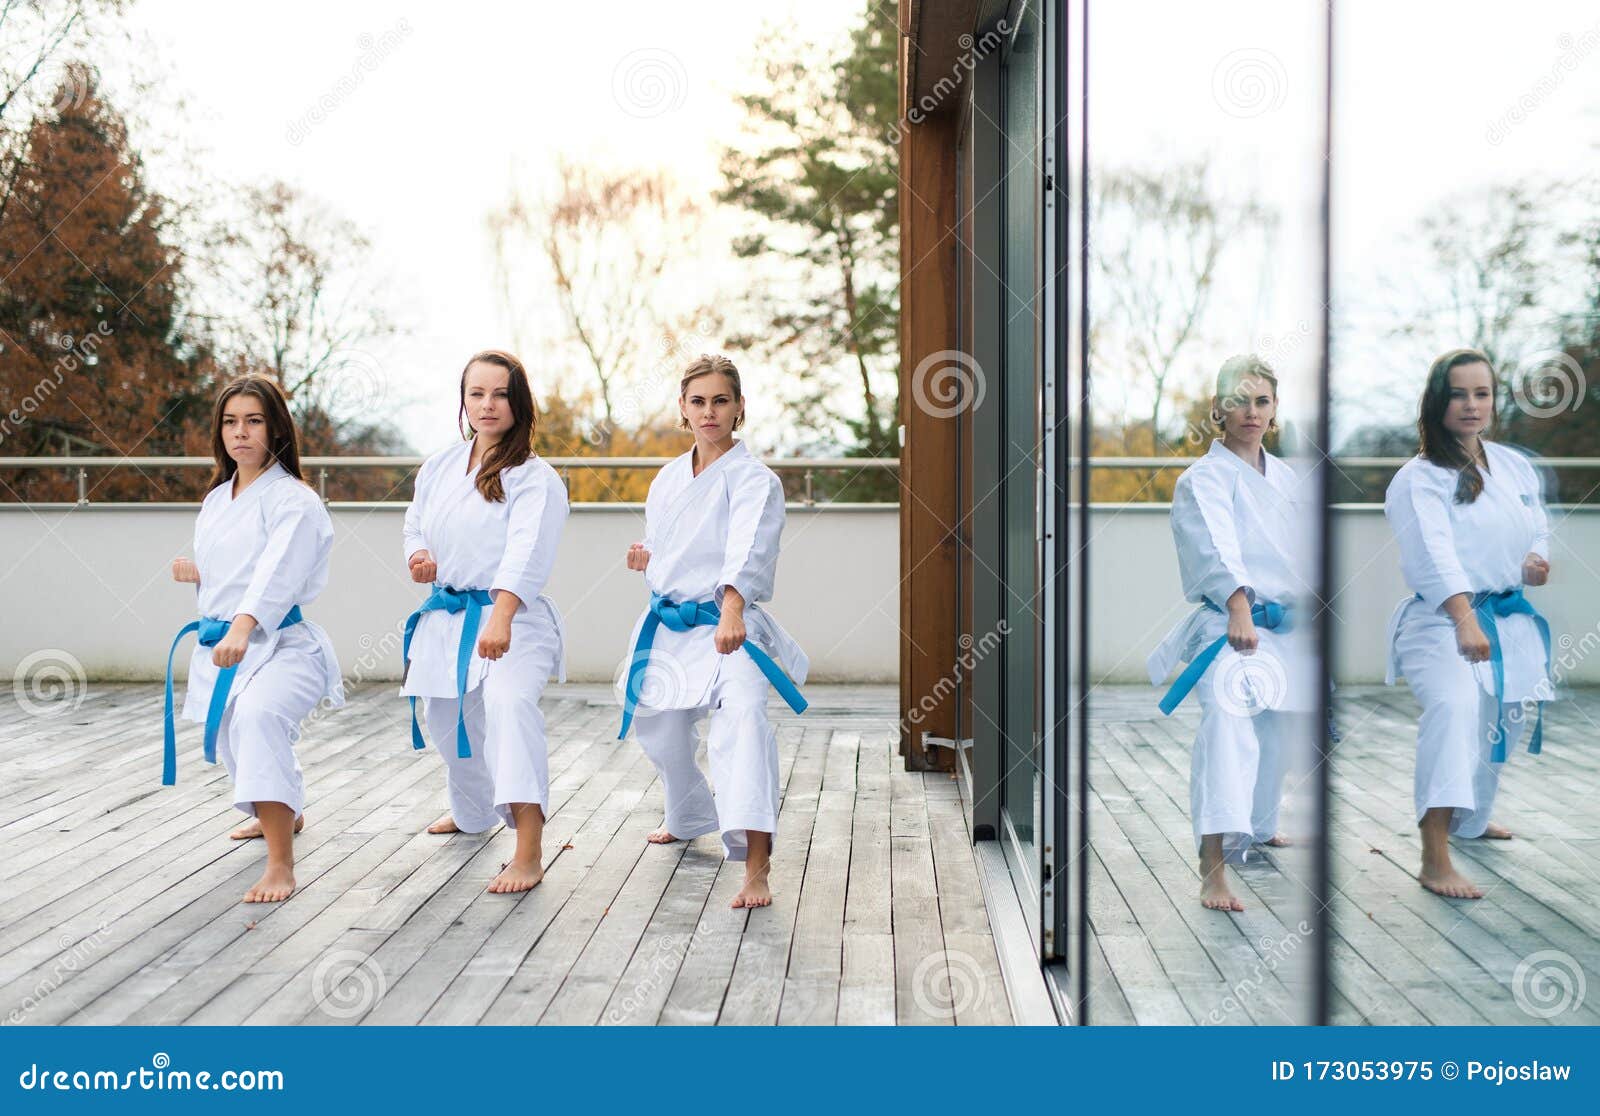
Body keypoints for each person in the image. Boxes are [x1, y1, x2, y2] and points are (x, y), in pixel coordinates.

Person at [618, 354, 808, 910]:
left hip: (730, 623)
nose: (709, 411)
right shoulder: (669, 476)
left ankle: (756, 867)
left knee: (743, 724)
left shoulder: (756, 480)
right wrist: (645, 558)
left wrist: (732, 610)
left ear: (739, 407)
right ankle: (688, 814)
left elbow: (749, 548)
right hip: (672, 624)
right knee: (658, 728)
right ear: (682, 408)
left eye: (720, 400)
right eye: (698, 401)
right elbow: (667, 547)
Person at [1147, 355, 1317, 912]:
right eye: (1239, 400)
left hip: (1283, 621)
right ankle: (1213, 865)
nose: (1251, 411)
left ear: (1275, 410)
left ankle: (1262, 823)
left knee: (1284, 728)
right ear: (1217, 408)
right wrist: (1239, 607)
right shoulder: (1203, 478)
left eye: (1262, 401)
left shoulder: (1288, 477)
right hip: (1228, 621)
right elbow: (1214, 546)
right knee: (1228, 723)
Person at [165, 375, 344, 903]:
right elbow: (240, 565)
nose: (240, 432)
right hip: (227, 645)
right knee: (232, 736)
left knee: (258, 718)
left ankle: (281, 864)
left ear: (277, 429)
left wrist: (244, 626)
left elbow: (277, 573)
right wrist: (198, 572)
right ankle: (280, 813)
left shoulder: (294, 500)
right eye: (230, 422)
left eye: (254, 421)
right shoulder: (220, 497)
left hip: (283, 646)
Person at [1384, 348, 1552, 900]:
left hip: (1506, 615)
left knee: (1500, 714)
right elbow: (1433, 552)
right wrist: (1462, 617)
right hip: (1440, 620)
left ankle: (1472, 819)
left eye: (1482, 393)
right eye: (1459, 393)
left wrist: (1534, 560)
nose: (1472, 404)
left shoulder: (1511, 465)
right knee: (1455, 709)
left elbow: (1535, 523)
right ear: (1438, 401)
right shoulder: (1420, 477)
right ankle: (1435, 854)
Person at [401, 350, 568, 894]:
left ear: (518, 404)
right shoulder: (441, 466)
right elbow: (415, 524)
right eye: (477, 394)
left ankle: (527, 847)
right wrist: (419, 555)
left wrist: (501, 616)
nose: (488, 404)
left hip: (511, 618)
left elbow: (527, 552)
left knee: (507, 707)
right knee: (445, 719)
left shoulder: (534, 478)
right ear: (464, 401)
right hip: (448, 615)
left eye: (500, 394)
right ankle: (472, 812)